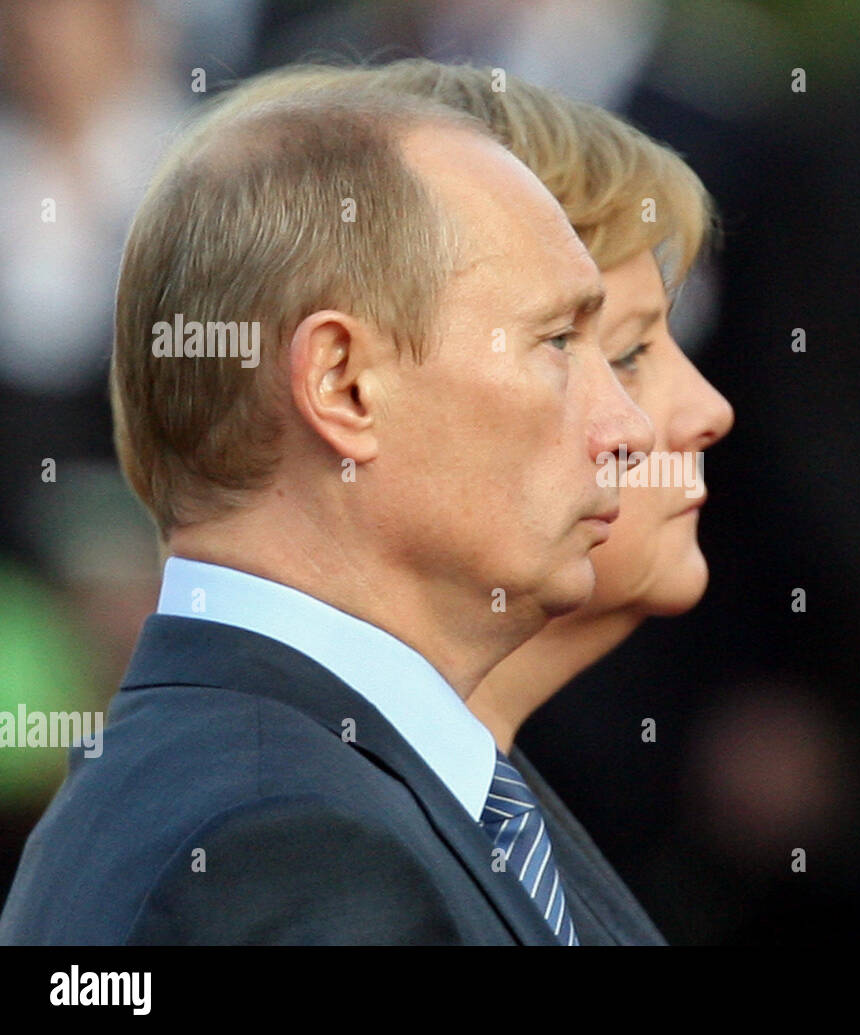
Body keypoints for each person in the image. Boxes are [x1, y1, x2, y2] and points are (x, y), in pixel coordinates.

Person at [0, 75, 654, 944]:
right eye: (559, 341)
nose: (631, 428)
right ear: (344, 385)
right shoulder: (279, 842)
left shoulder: (347, 789)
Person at [197, 59, 737, 945]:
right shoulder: (292, 835)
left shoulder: (473, 802)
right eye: (614, 348)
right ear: (351, 385)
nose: (703, 412)